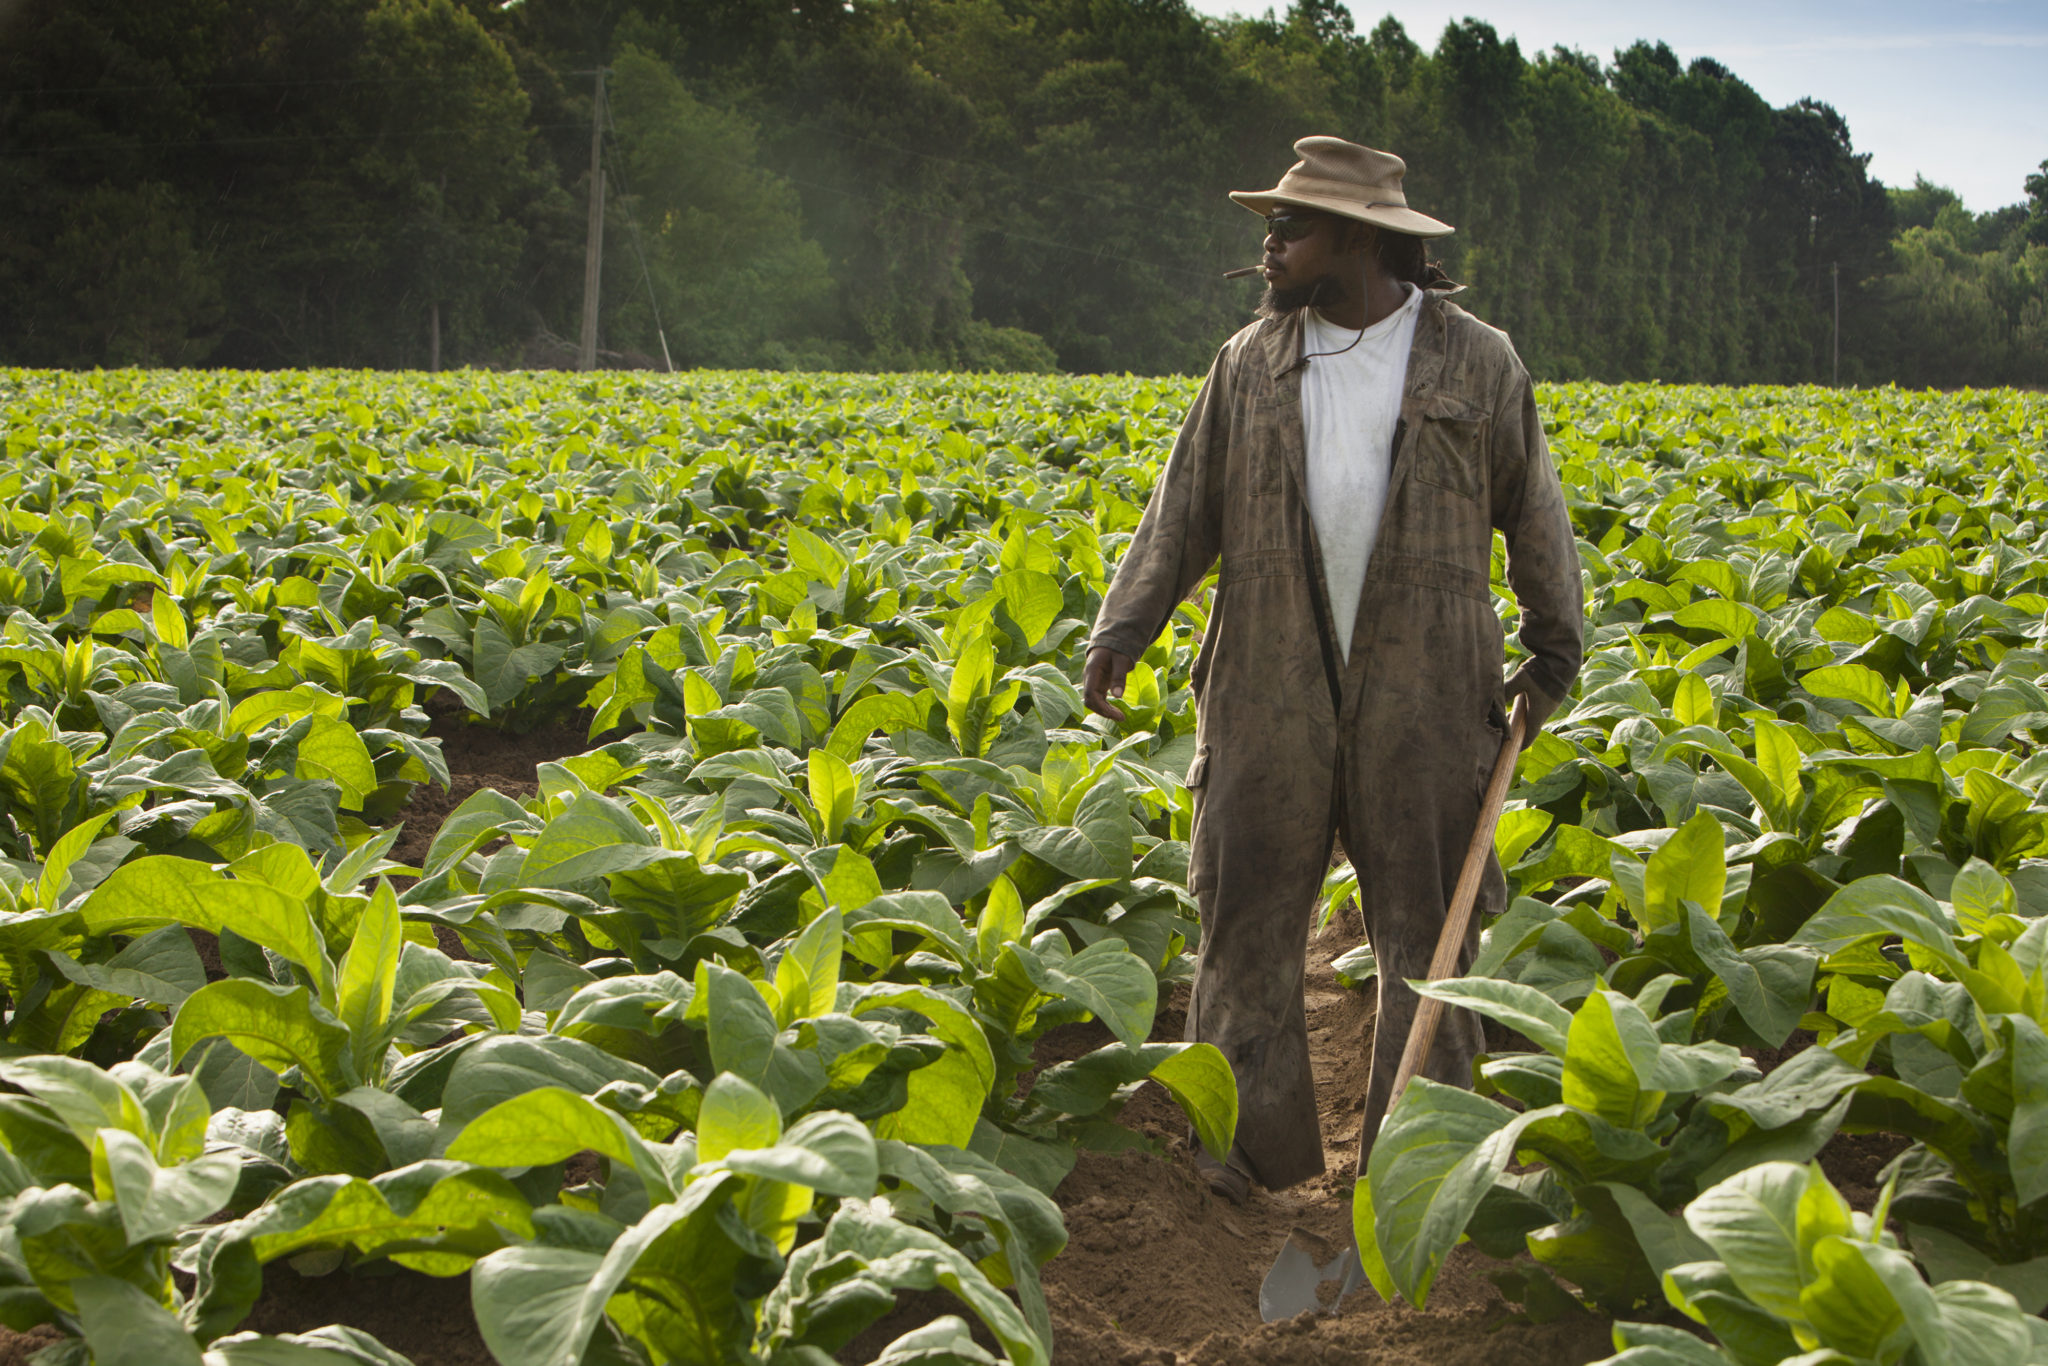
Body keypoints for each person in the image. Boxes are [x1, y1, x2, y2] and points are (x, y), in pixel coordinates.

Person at [1081, 137, 1584, 1202]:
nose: (1268, 244)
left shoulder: (1474, 362)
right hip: (1266, 683)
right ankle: (1238, 1166)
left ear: (1360, 239)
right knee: (1246, 914)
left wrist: (1551, 651)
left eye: (1291, 226)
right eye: (1270, 225)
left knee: (1427, 931)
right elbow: (1181, 514)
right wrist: (1120, 629)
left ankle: (1419, 1176)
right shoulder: (1247, 363)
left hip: (1431, 693)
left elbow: (1535, 514)